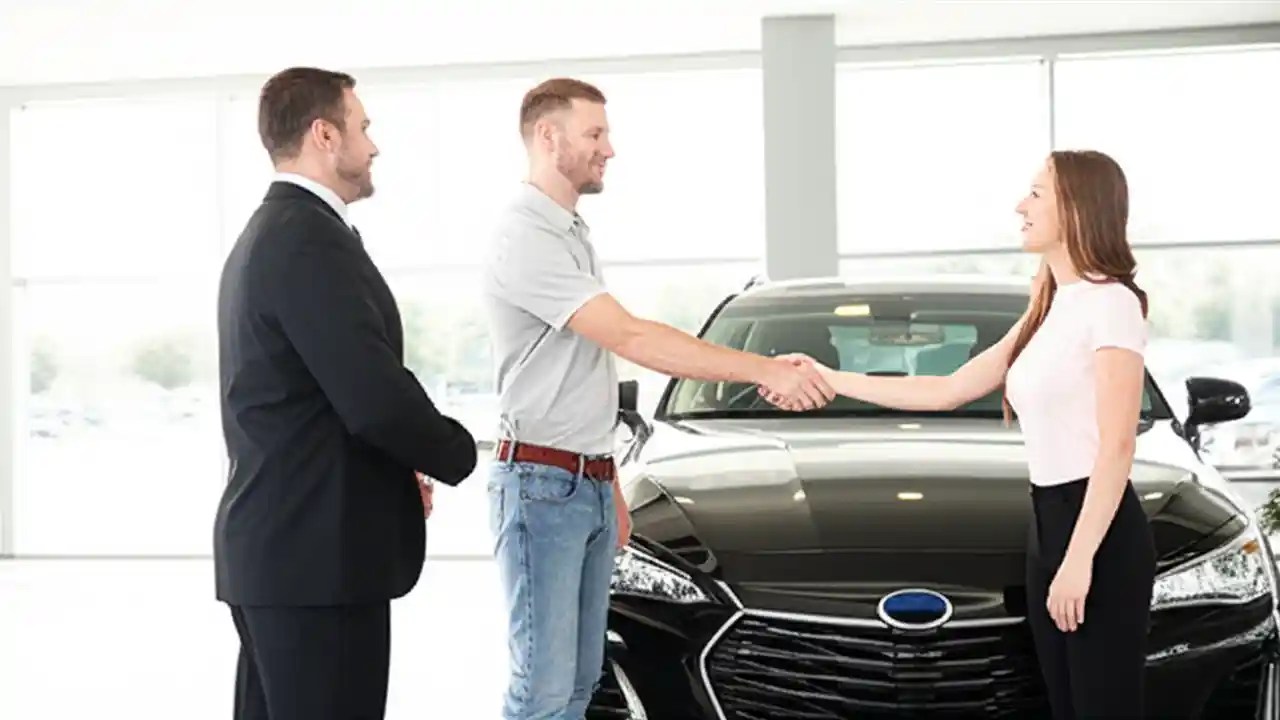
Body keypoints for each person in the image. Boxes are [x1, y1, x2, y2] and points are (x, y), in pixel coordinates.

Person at [480, 77, 834, 719]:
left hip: (579, 482)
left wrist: (606, 480)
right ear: (547, 136)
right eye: (595, 134)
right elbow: (631, 336)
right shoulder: (525, 234)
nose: (608, 149)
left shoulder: (569, 233)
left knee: (581, 685)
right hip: (540, 487)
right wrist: (764, 370)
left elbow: (583, 370)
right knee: (543, 692)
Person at [771, 150, 1156, 719]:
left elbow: (1118, 444)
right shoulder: (1047, 310)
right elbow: (946, 389)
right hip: (1048, 521)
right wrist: (829, 376)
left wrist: (1079, 561)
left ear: (1077, 206)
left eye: (1036, 192)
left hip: (1097, 533)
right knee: (1066, 706)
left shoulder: (1113, 303)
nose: (1020, 205)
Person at [215, 67, 478, 720]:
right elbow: (371, 394)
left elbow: (320, 397)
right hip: (315, 562)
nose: (374, 145)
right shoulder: (306, 238)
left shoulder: (274, 234)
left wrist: (399, 461)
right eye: (364, 127)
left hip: (286, 556)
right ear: (324, 135)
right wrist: (457, 451)